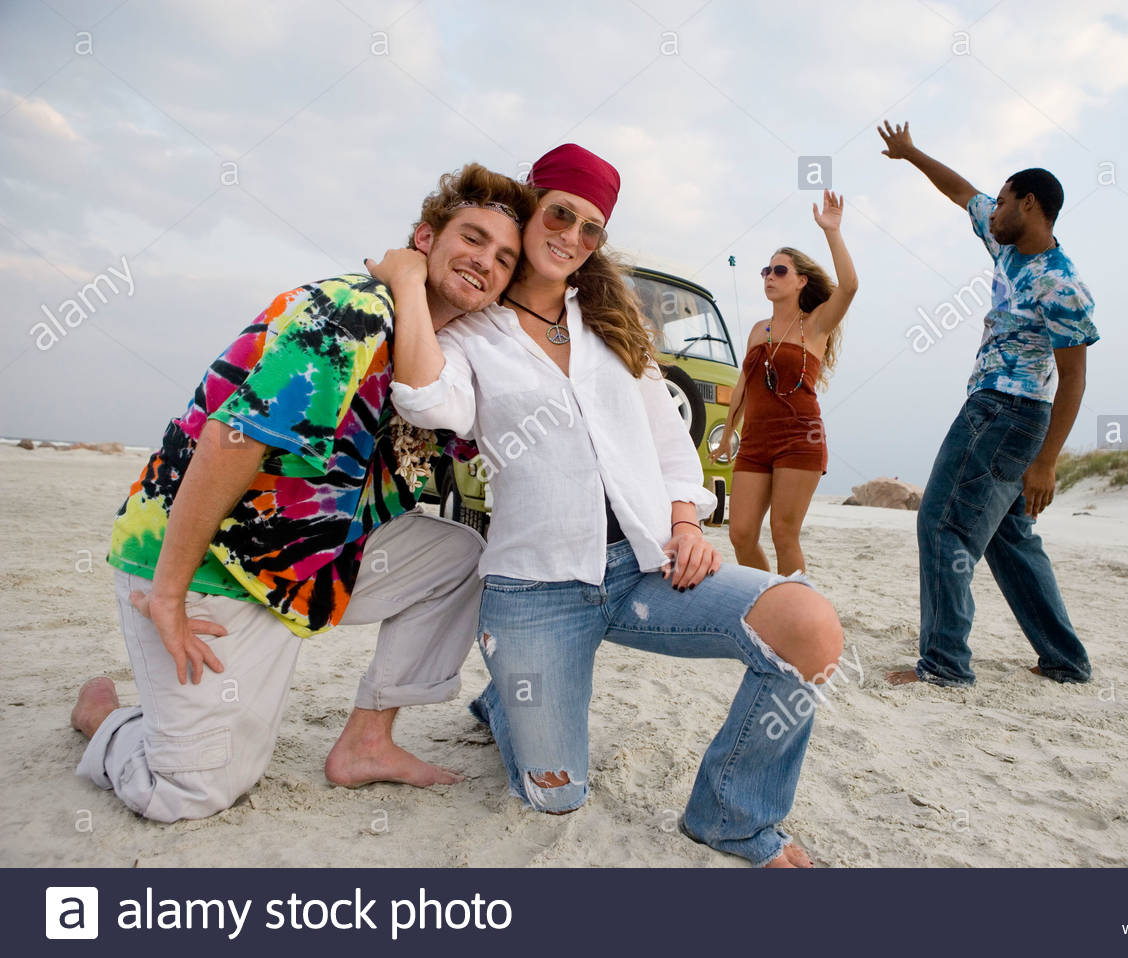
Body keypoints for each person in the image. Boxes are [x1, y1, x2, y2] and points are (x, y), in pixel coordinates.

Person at [370, 143, 844, 868]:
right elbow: (431, 403)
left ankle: (733, 818)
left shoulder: (616, 328)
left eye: (591, 229)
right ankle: (509, 698)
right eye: (561, 214)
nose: (572, 236)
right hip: (537, 590)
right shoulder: (469, 332)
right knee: (555, 793)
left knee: (808, 624)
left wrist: (687, 523)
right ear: (531, 211)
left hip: (647, 570)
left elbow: (670, 442)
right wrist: (408, 278)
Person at [70, 164, 535, 822]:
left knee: (457, 552)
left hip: (306, 562)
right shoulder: (355, 314)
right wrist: (169, 593)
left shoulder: (445, 356)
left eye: (505, 258)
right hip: (211, 561)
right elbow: (235, 438)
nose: (485, 261)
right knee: (191, 791)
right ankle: (104, 715)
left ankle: (368, 742)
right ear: (424, 239)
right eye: (473, 237)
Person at [876, 119, 1096, 688]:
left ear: (1029, 204)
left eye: (1001, 201)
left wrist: (1046, 462)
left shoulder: (1060, 282)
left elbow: (1073, 378)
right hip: (1001, 412)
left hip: (1006, 412)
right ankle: (1065, 661)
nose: (990, 209)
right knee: (1010, 538)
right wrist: (911, 151)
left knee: (941, 523)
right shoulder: (1004, 243)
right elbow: (958, 191)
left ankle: (945, 666)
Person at [712, 191, 857, 575]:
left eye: (779, 271)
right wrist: (728, 435)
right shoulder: (760, 330)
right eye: (766, 270)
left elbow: (849, 286)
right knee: (740, 534)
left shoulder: (817, 324)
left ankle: (797, 616)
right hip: (756, 441)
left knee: (783, 534)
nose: (769, 276)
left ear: (800, 281)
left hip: (800, 438)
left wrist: (832, 232)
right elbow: (744, 383)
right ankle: (772, 602)